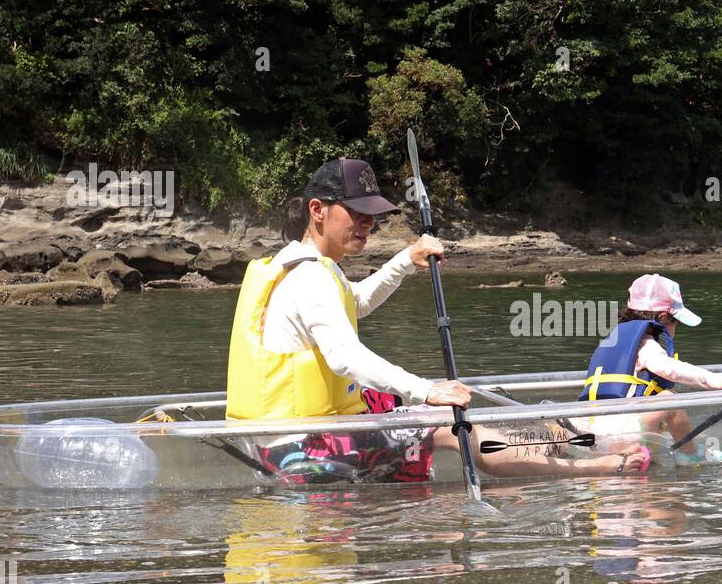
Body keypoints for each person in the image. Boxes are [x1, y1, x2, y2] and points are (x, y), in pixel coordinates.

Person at [226, 156, 648, 482]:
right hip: (301, 449)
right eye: (356, 212)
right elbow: (343, 356)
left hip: (296, 434)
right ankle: (592, 470)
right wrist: (427, 391)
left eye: (372, 214)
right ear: (317, 210)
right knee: (450, 421)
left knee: (412, 404)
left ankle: (546, 445)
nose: (368, 223)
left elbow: (354, 305)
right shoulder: (310, 277)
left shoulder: (303, 266)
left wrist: (406, 260)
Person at [577, 273, 722, 465]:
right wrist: (716, 381)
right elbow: (670, 368)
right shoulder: (647, 346)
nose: (675, 329)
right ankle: (689, 453)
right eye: (676, 322)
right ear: (664, 317)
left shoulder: (612, 343)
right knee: (669, 398)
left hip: (596, 434)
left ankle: (648, 463)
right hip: (625, 433)